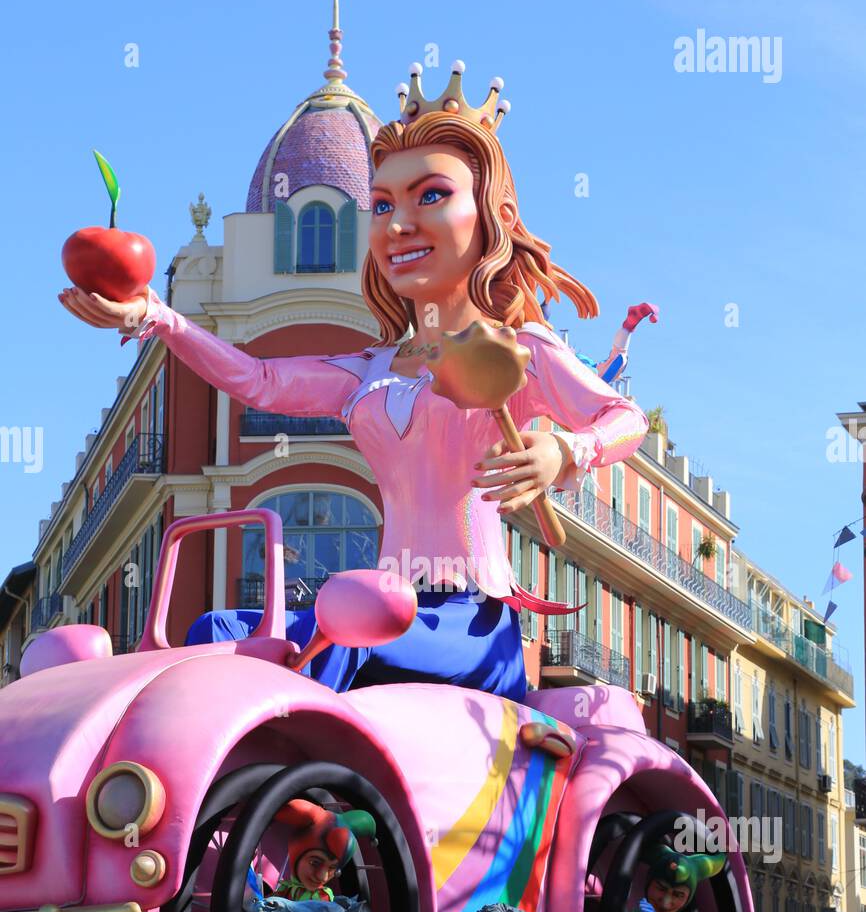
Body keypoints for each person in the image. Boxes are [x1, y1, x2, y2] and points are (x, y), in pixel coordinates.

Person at [58, 59, 649, 701]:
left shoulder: (522, 348)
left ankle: (292, 784)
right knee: (218, 628)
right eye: (382, 204)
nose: (397, 224)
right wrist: (157, 316)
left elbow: (625, 419)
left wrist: (566, 449)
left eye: (431, 196)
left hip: (470, 620)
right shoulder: (366, 372)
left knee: (334, 635)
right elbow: (257, 380)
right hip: (383, 604)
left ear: (492, 216)